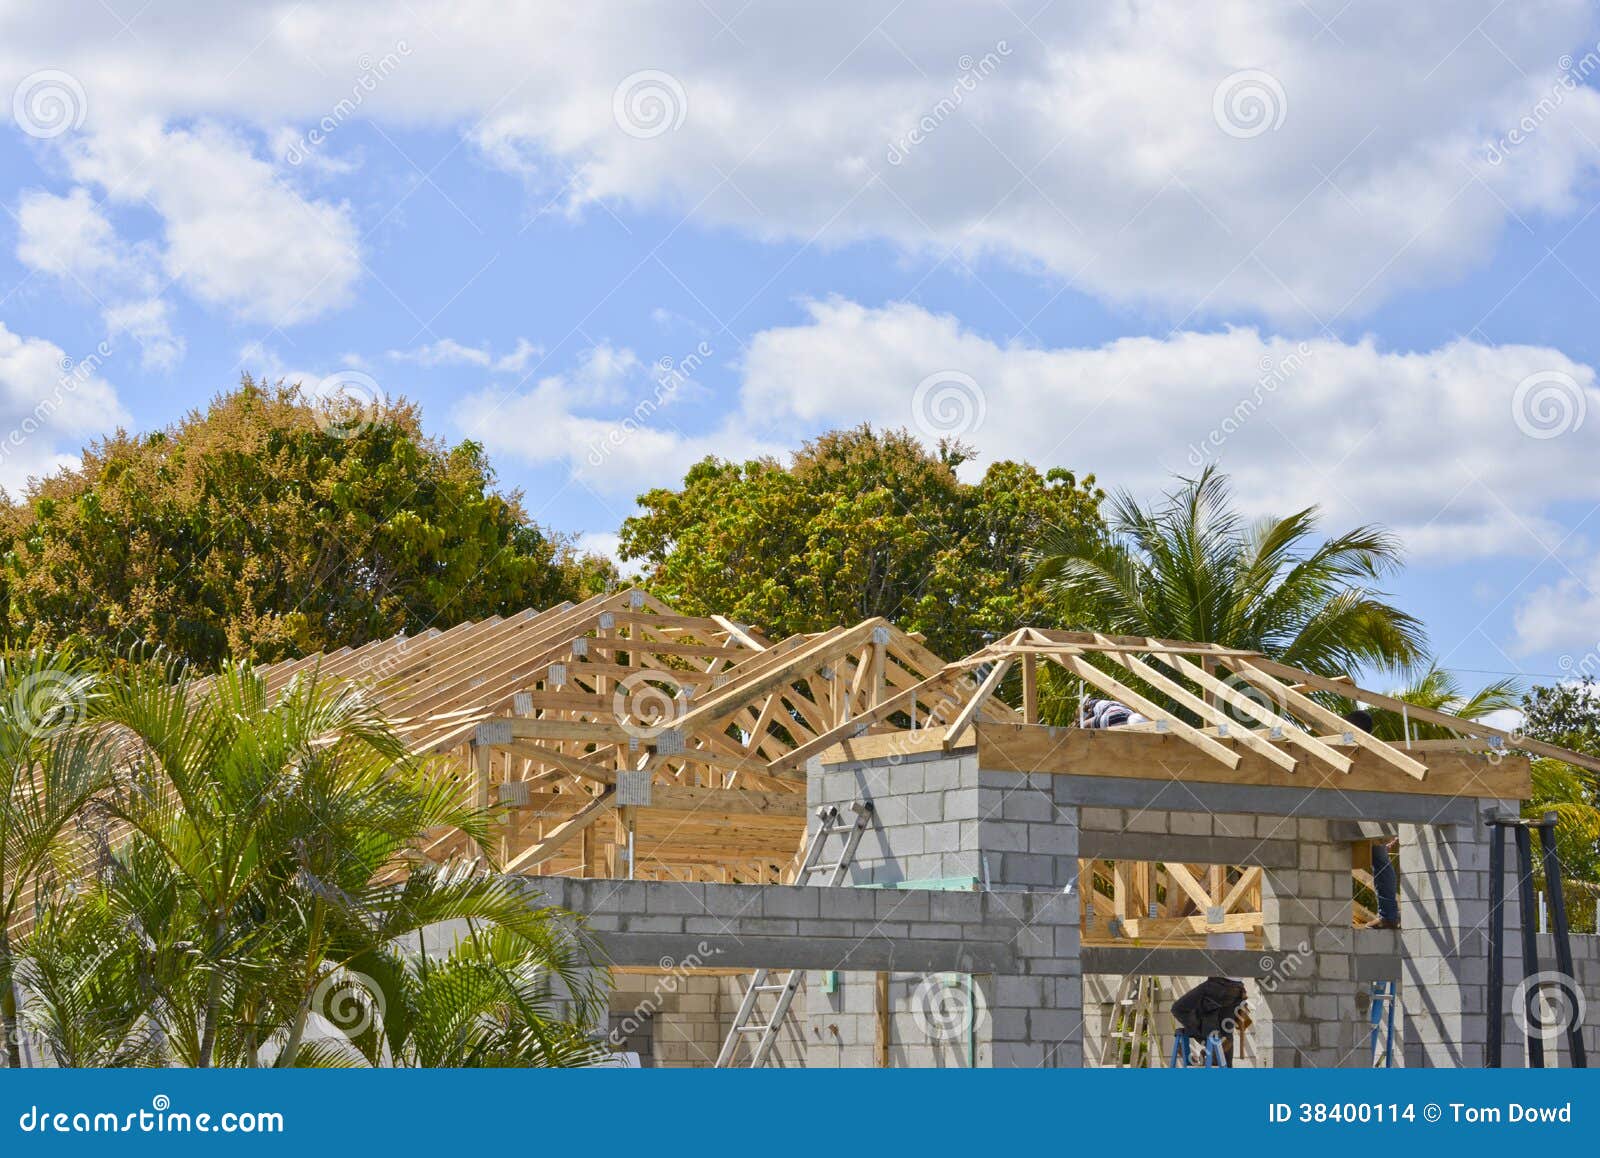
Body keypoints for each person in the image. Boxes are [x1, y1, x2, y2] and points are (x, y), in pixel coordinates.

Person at [1343, 709, 1401, 929]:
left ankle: (1388, 915)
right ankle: (1389, 915)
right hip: (1366, 814)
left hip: (1365, 815)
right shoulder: (1372, 750)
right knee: (1380, 861)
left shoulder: (1361, 750)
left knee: (1379, 860)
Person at [1171, 976, 1248, 1066]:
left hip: (1218, 985)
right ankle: (1222, 1057)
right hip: (1236, 989)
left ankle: (1215, 1047)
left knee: (1178, 1009)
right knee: (1224, 1029)